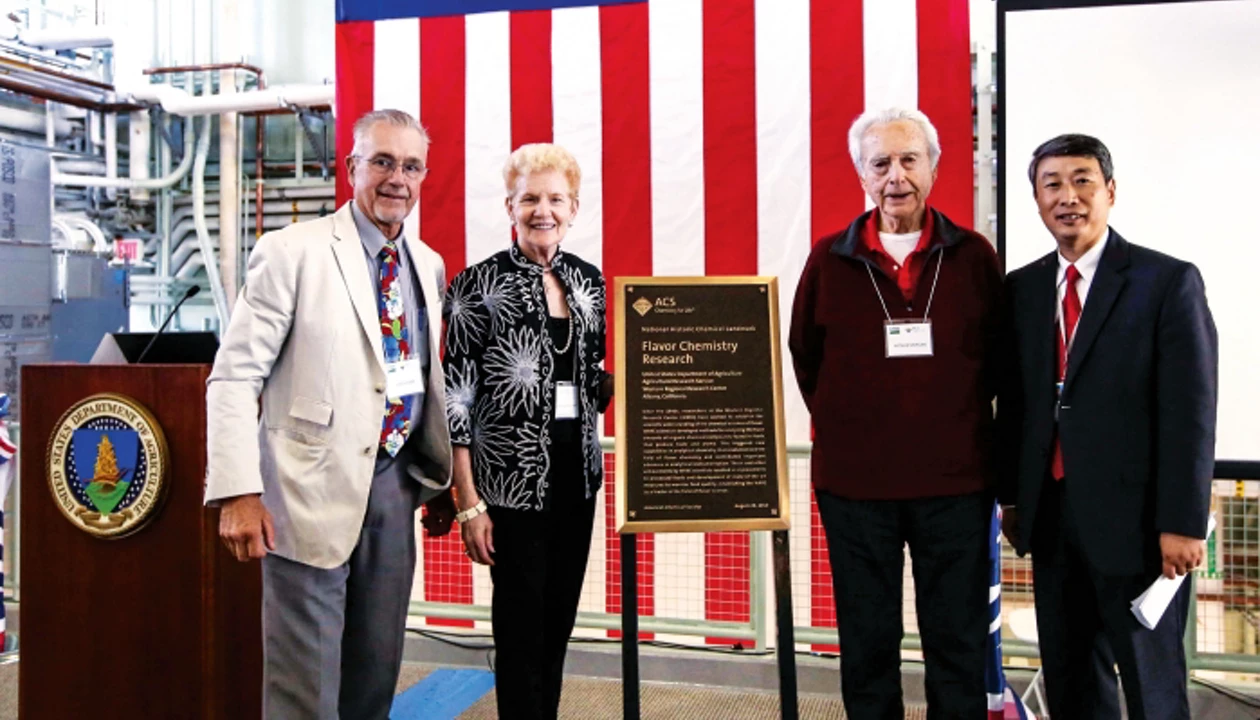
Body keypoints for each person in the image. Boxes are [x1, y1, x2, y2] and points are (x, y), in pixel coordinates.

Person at [204, 108, 455, 720]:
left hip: (395, 488)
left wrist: (442, 470)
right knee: (305, 692)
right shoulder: (291, 252)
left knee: (374, 676)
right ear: (351, 169)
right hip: (306, 491)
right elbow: (235, 376)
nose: (398, 178)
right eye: (383, 162)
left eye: (411, 166)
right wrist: (239, 491)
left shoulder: (427, 264)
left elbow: (418, 374)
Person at [789, 107, 1003, 720]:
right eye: (880, 163)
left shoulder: (973, 257)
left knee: (957, 641)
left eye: (910, 160)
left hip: (956, 487)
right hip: (856, 490)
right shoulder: (830, 258)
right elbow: (807, 356)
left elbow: (999, 361)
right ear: (861, 173)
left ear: (934, 168)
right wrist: (854, 424)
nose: (896, 176)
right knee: (867, 642)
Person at [999, 134, 1217, 720]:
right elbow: (1017, 402)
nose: (1067, 196)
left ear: (1110, 191)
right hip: (1053, 522)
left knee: (1153, 686)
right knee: (1072, 683)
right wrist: (1014, 501)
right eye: (1052, 185)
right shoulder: (1022, 288)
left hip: (1143, 531)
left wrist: (1182, 521)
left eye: (1082, 180)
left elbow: (1191, 412)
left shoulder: (1166, 282)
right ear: (1038, 201)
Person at [443, 143, 609, 720]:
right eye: (530, 198)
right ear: (509, 205)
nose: (544, 209)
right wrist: (467, 501)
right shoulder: (476, 285)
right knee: (519, 627)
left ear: (574, 207)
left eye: (555, 198)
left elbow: (597, 379)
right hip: (508, 488)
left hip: (577, 481)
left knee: (558, 622)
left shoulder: (590, 284)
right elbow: (457, 397)